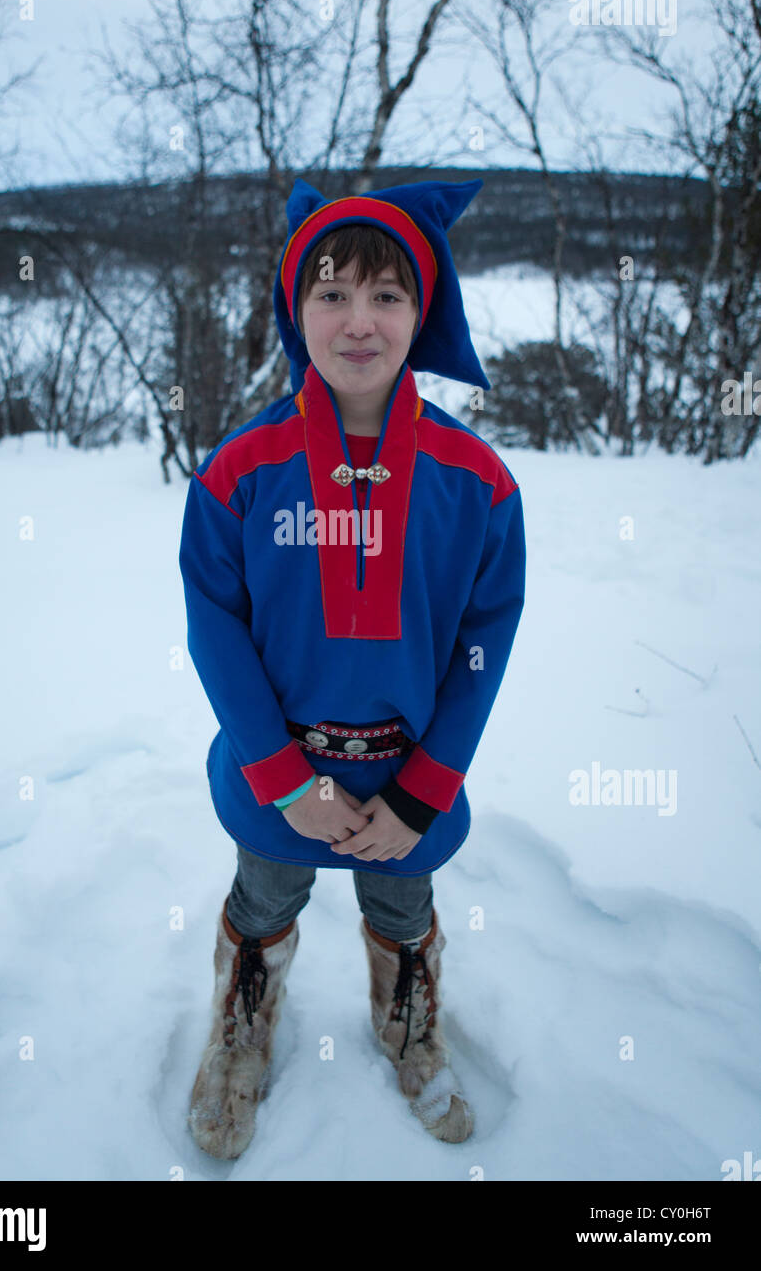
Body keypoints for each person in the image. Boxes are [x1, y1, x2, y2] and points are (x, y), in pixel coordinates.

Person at [179, 176, 526, 1160]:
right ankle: (242, 1023)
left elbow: (482, 642)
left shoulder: (478, 482)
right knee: (264, 901)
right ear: (296, 309)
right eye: (330, 292)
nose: (357, 319)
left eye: (386, 295)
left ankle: (408, 1022)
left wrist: (422, 791)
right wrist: (285, 782)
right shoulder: (240, 471)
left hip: (404, 777)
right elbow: (215, 629)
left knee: (401, 907)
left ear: (422, 312)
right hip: (279, 776)